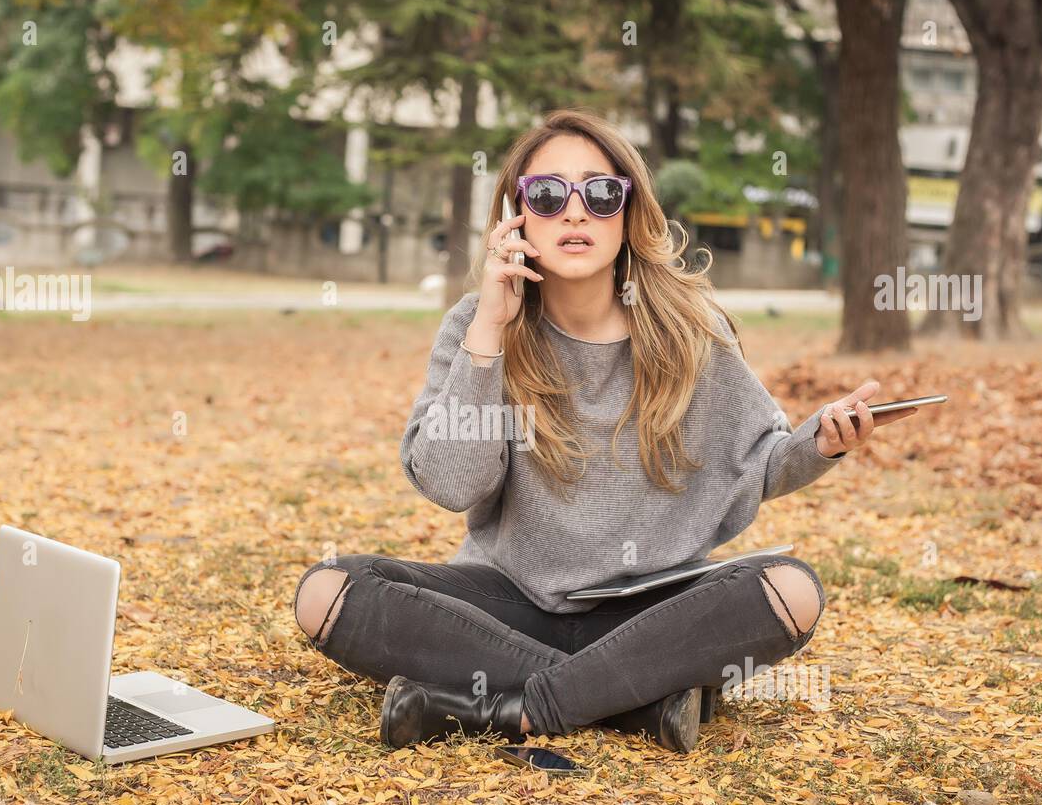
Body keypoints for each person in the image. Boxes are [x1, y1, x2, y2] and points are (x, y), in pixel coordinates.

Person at [293, 109, 917, 753]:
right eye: (547, 194)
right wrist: (489, 335)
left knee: (791, 591)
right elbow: (453, 484)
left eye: (599, 192)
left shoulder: (689, 327)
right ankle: (632, 702)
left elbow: (758, 463)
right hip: (508, 603)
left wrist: (821, 442)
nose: (574, 212)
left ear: (627, 209)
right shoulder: (476, 325)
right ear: (517, 215)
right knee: (328, 591)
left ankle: (516, 706)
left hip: (650, 608)